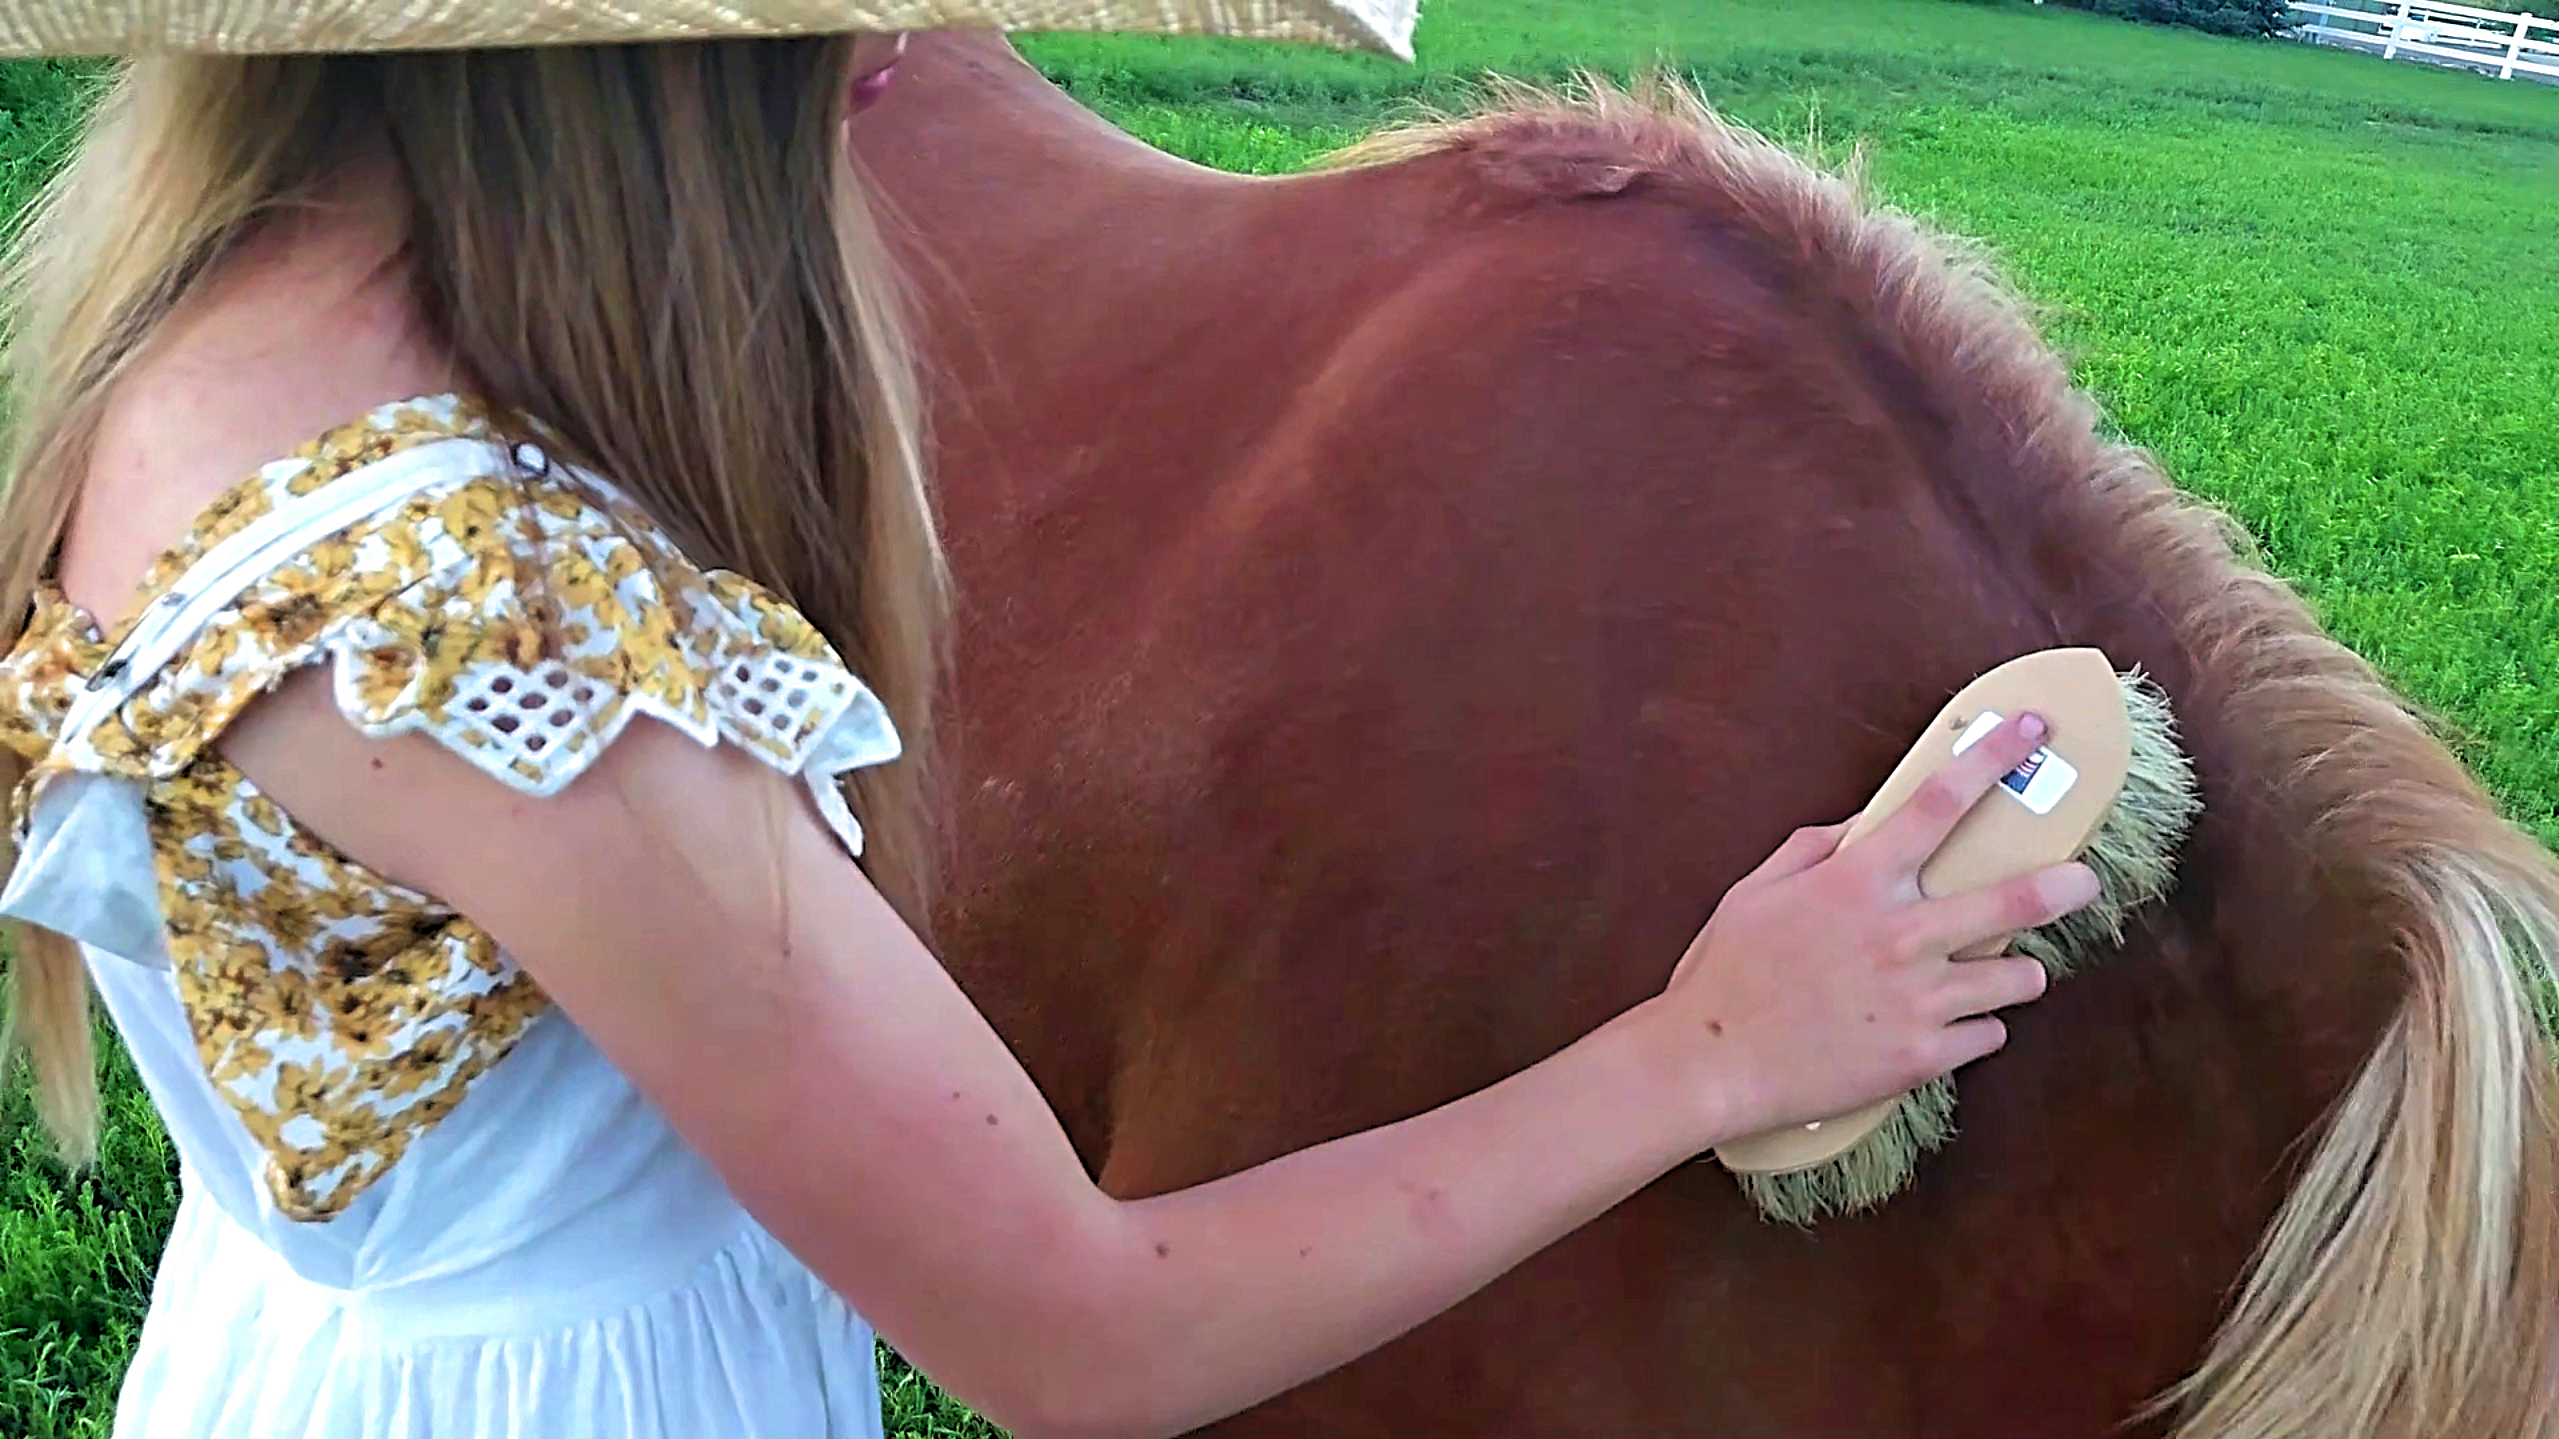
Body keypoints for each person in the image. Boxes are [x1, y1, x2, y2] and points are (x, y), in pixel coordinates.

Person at [0, 4, 2098, 1437]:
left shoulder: (190, 351)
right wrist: (1710, 1046)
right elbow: (1081, 1332)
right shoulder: (479, 618)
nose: (910, 53)